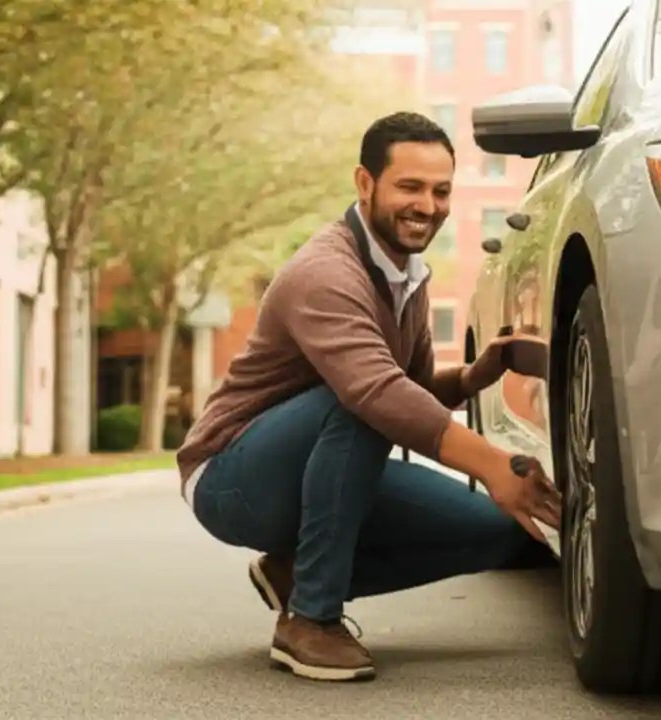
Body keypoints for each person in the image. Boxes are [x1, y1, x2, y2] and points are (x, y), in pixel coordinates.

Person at [175, 111, 562, 683]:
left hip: (329, 450)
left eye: (440, 191)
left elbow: (410, 390)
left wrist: (474, 377)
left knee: (507, 533)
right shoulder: (325, 272)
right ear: (365, 184)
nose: (427, 206)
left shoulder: (409, 276)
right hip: (234, 477)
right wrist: (495, 465)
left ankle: (297, 577)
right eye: (409, 186)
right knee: (359, 402)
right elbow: (376, 393)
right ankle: (310, 619)